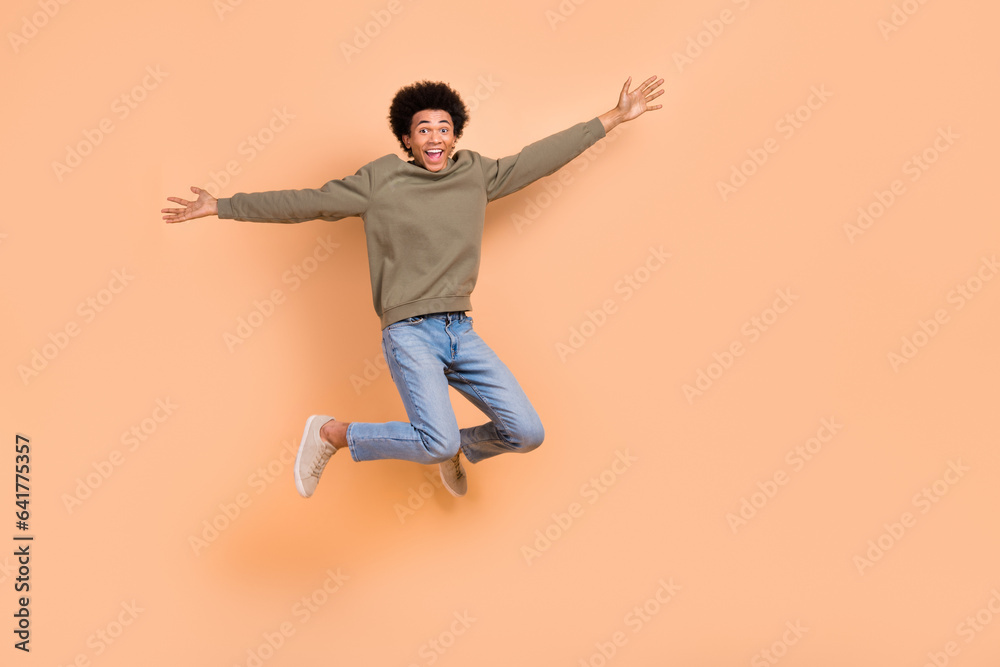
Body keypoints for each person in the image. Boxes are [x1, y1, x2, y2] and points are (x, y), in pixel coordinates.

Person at [162, 75, 664, 499]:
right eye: (424, 128)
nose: (435, 136)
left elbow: (541, 157)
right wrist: (222, 204)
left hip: (459, 330)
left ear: (455, 135)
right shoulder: (379, 181)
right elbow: (307, 201)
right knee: (434, 441)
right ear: (407, 139)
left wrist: (614, 117)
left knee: (526, 432)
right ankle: (334, 433)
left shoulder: (476, 174)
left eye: (444, 128)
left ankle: (460, 448)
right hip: (409, 332)